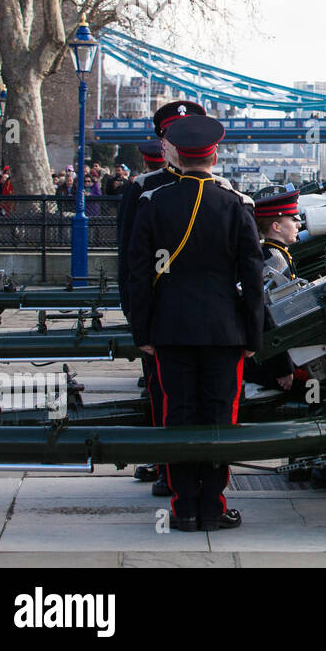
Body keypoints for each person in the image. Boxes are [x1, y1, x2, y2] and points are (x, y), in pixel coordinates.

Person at [127, 114, 264, 532]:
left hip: (170, 328)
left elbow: (138, 274)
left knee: (178, 415)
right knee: (221, 416)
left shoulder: (154, 202)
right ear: (214, 154)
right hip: (224, 331)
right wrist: (252, 334)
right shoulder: (235, 204)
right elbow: (252, 276)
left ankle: (183, 507)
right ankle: (213, 505)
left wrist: (143, 332)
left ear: (176, 155)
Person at [118, 101, 206, 494]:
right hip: (160, 313)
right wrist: (140, 319)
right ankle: (168, 467)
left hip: (206, 315)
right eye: (175, 134)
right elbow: (129, 263)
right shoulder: (143, 189)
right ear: (164, 141)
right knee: (164, 395)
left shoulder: (220, 191)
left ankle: (199, 475)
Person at [247, 189, 301, 392]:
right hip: (270, 363)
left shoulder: (275, 253)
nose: (298, 225)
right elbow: (273, 318)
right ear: (276, 226)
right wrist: (283, 368)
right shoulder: (275, 260)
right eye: (292, 219)